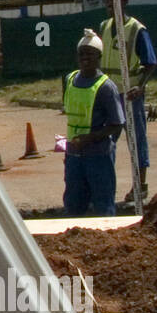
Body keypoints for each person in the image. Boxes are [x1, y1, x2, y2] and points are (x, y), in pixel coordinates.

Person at [101, 0, 157, 200]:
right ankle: (105, 187)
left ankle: (140, 186)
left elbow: (150, 63)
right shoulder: (105, 27)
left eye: (114, 1)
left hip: (130, 95)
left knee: (136, 141)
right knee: (105, 142)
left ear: (124, 2)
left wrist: (140, 86)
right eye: (107, 1)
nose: (109, 5)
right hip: (109, 96)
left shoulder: (136, 29)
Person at [62, 29, 125, 217]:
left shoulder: (106, 87)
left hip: (98, 157)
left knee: (103, 205)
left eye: (89, 53)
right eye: (81, 53)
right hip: (74, 155)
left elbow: (117, 124)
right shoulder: (70, 80)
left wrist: (91, 139)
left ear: (99, 56)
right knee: (73, 204)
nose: (84, 57)